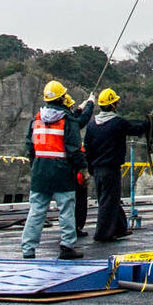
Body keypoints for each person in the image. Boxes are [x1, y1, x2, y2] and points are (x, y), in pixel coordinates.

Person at [21, 80, 88, 260]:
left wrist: (35, 166)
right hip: (62, 172)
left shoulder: (36, 119)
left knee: (36, 211)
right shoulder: (68, 121)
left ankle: (28, 249)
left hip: (40, 171)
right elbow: (73, 149)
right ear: (62, 99)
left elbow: (30, 146)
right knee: (66, 209)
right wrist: (83, 168)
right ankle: (67, 246)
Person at [83, 88, 151, 242]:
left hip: (96, 168)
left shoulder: (92, 124)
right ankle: (103, 234)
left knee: (108, 198)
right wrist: (147, 124)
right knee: (109, 200)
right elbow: (135, 129)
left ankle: (120, 228)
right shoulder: (117, 123)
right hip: (110, 168)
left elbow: (87, 147)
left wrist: (89, 167)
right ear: (113, 105)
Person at [63, 92, 95, 238]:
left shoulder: (53, 119)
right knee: (79, 199)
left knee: (66, 202)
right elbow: (81, 120)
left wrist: (81, 107)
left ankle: (70, 227)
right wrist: (90, 104)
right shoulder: (69, 123)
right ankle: (75, 228)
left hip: (59, 167)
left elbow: (74, 117)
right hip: (73, 165)